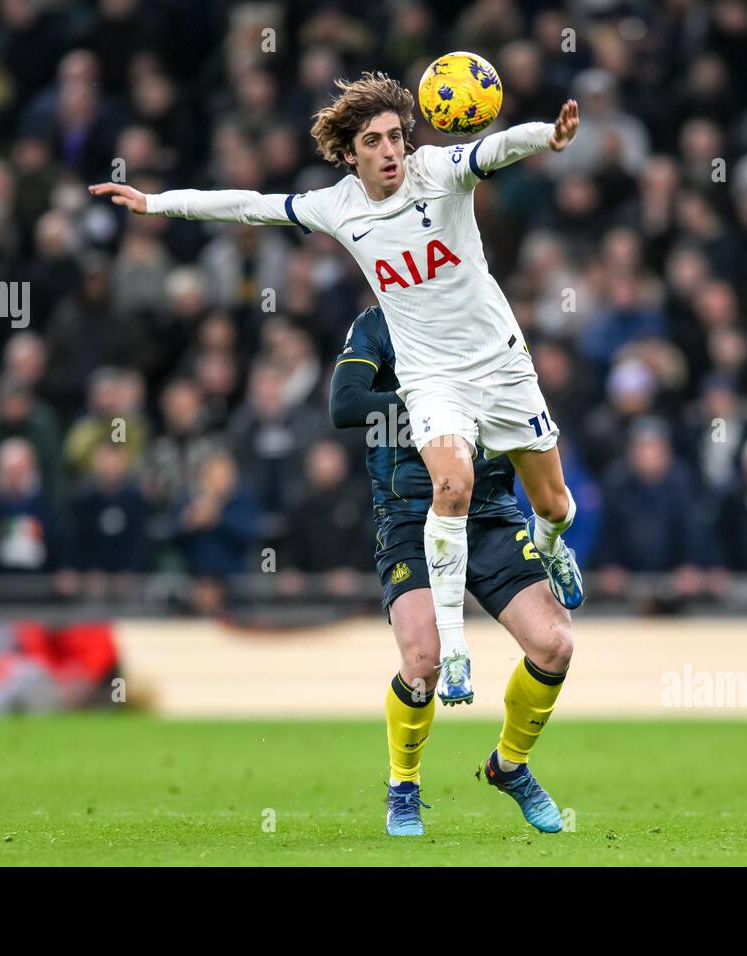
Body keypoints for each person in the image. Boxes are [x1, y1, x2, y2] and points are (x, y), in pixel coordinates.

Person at [90, 72, 585, 707]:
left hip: (500, 364)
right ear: (350, 154)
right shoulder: (338, 206)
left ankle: (551, 547)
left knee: (554, 504)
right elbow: (250, 204)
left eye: (396, 137)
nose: (390, 151)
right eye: (374, 141)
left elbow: (495, 150)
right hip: (431, 378)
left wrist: (550, 136)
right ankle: (456, 653)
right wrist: (155, 203)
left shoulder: (440, 170)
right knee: (453, 485)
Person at [330, 306, 573, 837]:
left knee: (554, 643)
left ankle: (510, 767)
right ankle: (404, 787)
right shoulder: (379, 322)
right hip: (408, 512)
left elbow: (526, 406)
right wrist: (436, 408)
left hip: (489, 510)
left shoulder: (488, 316)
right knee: (423, 660)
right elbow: (345, 406)